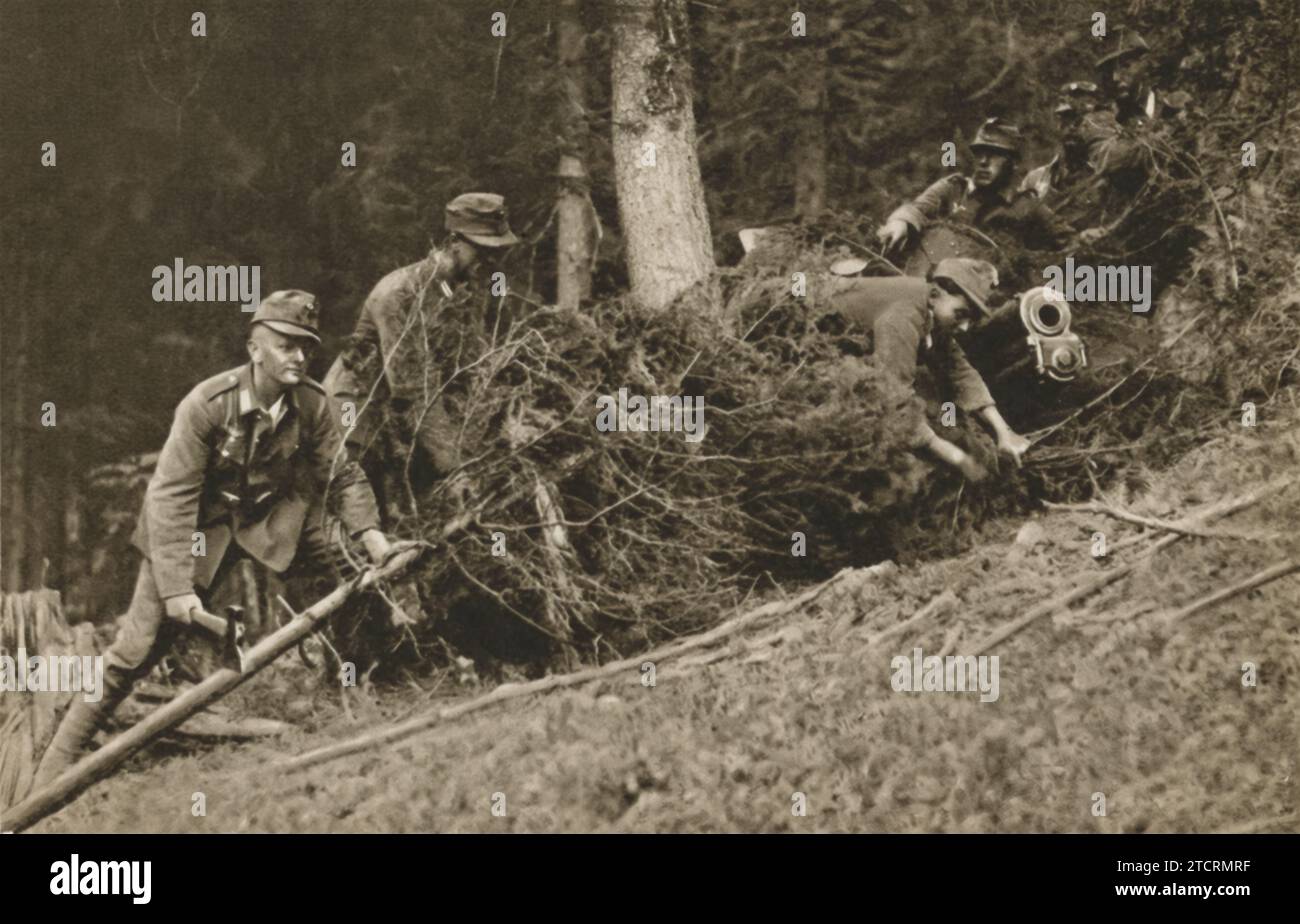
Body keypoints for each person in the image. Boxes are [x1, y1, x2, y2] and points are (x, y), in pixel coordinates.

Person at [33, 291, 395, 788]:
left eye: (305, 347)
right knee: (133, 652)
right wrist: (178, 589)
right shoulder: (207, 404)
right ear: (254, 349)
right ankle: (52, 772)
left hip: (267, 521)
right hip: (196, 532)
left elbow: (341, 475)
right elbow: (171, 498)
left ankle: (366, 691)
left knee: (354, 566)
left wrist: (372, 537)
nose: (298, 357)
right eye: (286, 345)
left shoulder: (312, 404)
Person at [324, 192, 521, 509]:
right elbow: (413, 387)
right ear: (454, 241)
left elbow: (459, 376)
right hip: (356, 418)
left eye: (497, 253)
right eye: (482, 251)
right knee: (356, 520)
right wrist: (455, 465)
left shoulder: (455, 292)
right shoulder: (400, 294)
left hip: (399, 422)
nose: (491, 261)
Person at [823, 258, 1031, 480]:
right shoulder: (903, 317)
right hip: (801, 323)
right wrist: (955, 457)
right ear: (934, 295)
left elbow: (959, 370)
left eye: (971, 318)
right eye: (961, 314)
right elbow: (893, 395)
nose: (964, 327)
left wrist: (1004, 433)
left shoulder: (932, 307)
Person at [877, 117, 1075, 254]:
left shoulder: (1026, 205)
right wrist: (900, 222)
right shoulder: (954, 189)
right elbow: (917, 208)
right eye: (980, 153)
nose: (983, 162)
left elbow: (1067, 242)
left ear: (1013, 163)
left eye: (995, 155)